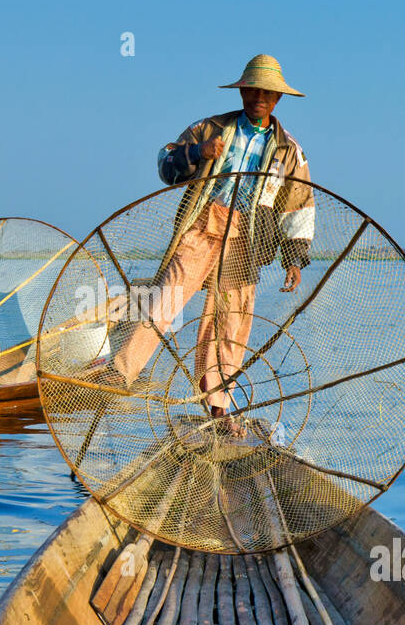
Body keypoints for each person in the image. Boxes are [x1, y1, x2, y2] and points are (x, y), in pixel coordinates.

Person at [108, 54, 315, 428]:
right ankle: (120, 372)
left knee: (230, 320)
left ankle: (218, 405)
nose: (259, 98)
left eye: (267, 92)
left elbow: (298, 205)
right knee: (167, 296)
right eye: (252, 90)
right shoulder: (210, 128)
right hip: (204, 221)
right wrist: (197, 153)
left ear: (278, 98)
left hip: (247, 236)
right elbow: (165, 162)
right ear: (242, 92)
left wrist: (294, 259)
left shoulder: (289, 151)